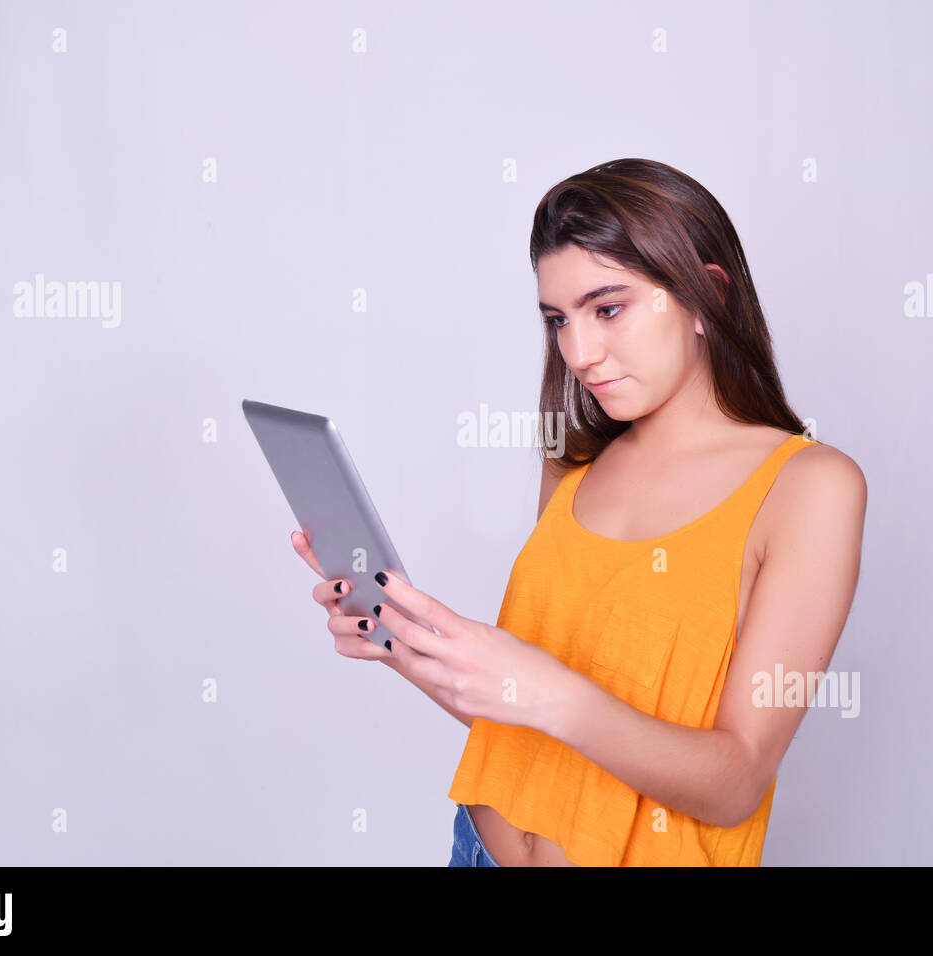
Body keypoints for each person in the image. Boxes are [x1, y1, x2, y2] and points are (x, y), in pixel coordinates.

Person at [291, 158, 867, 866]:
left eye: (609, 308)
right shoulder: (572, 462)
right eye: (558, 320)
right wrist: (406, 645)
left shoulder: (810, 487)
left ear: (703, 297)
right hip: (479, 849)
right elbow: (527, 717)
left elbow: (736, 782)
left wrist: (549, 689)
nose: (580, 352)